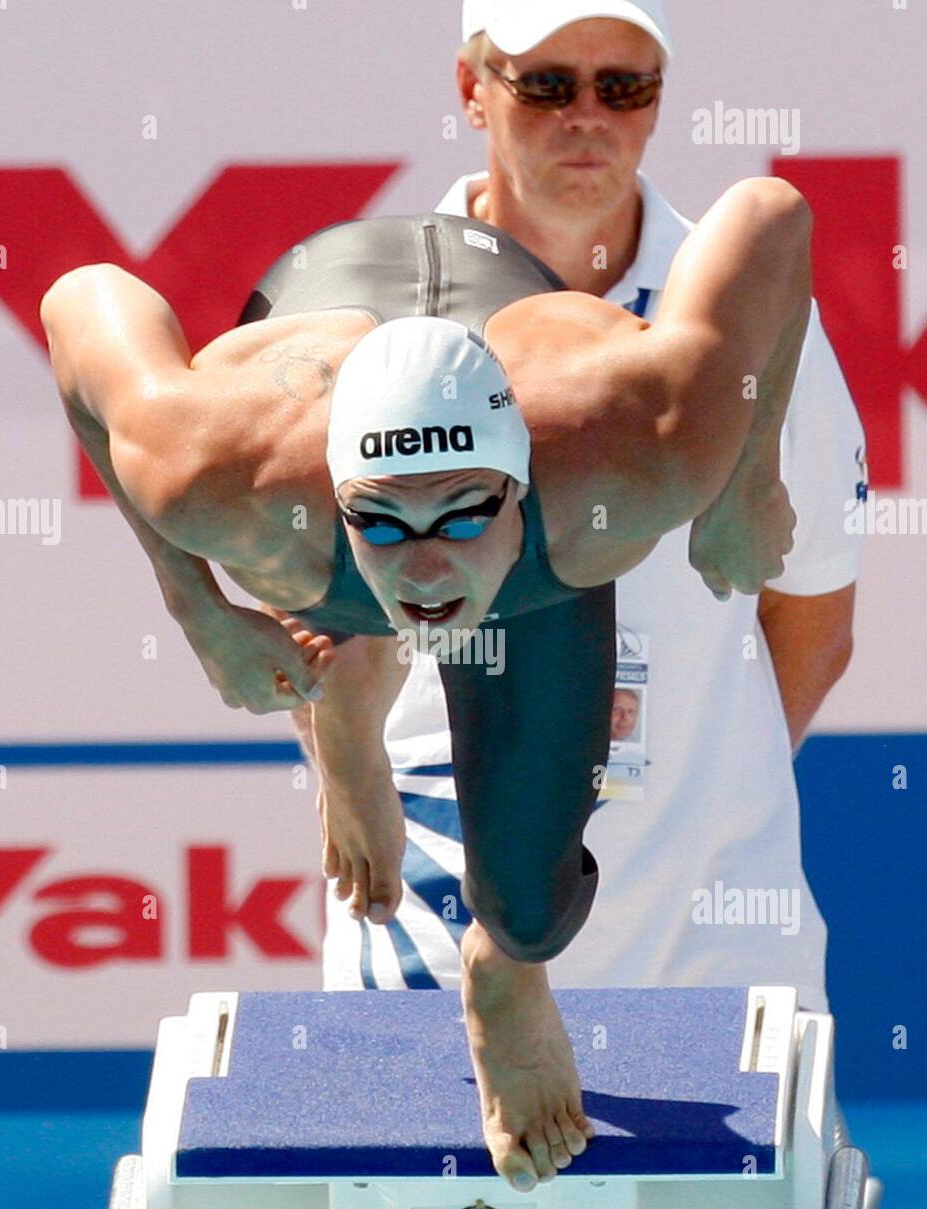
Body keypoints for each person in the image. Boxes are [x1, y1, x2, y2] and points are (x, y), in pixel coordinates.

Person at [40, 176, 810, 1189]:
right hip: (311, 344)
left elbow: (771, 214)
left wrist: (747, 482)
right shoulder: (217, 475)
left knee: (525, 907)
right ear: (334, 488)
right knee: (337, 582)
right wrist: (197, 610)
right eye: (385, 519)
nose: (425, 562)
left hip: (513, 359)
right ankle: (347, 725)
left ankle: (504, 972)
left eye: (461, 513)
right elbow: (79, 300)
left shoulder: (630, 460)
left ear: (519, 486)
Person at [319, 1, 864, 1034]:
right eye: (547, 84)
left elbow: (814, 623)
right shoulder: (365, 310)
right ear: (471, 87)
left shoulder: (751, 307)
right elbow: (319, 623)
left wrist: (684, 800)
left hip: (712, 941)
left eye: (624, 87)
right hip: (431, 937)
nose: (587, 117)